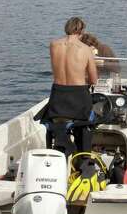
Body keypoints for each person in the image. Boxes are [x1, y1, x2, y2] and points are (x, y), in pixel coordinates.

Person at [39, 17, 98, 155]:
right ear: (81, 31)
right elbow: (94, 80)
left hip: (57, 97)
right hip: (78, 98)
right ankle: (83, 154)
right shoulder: (86, 49)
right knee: (89, 121)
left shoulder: (53, 45)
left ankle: (61, 145)